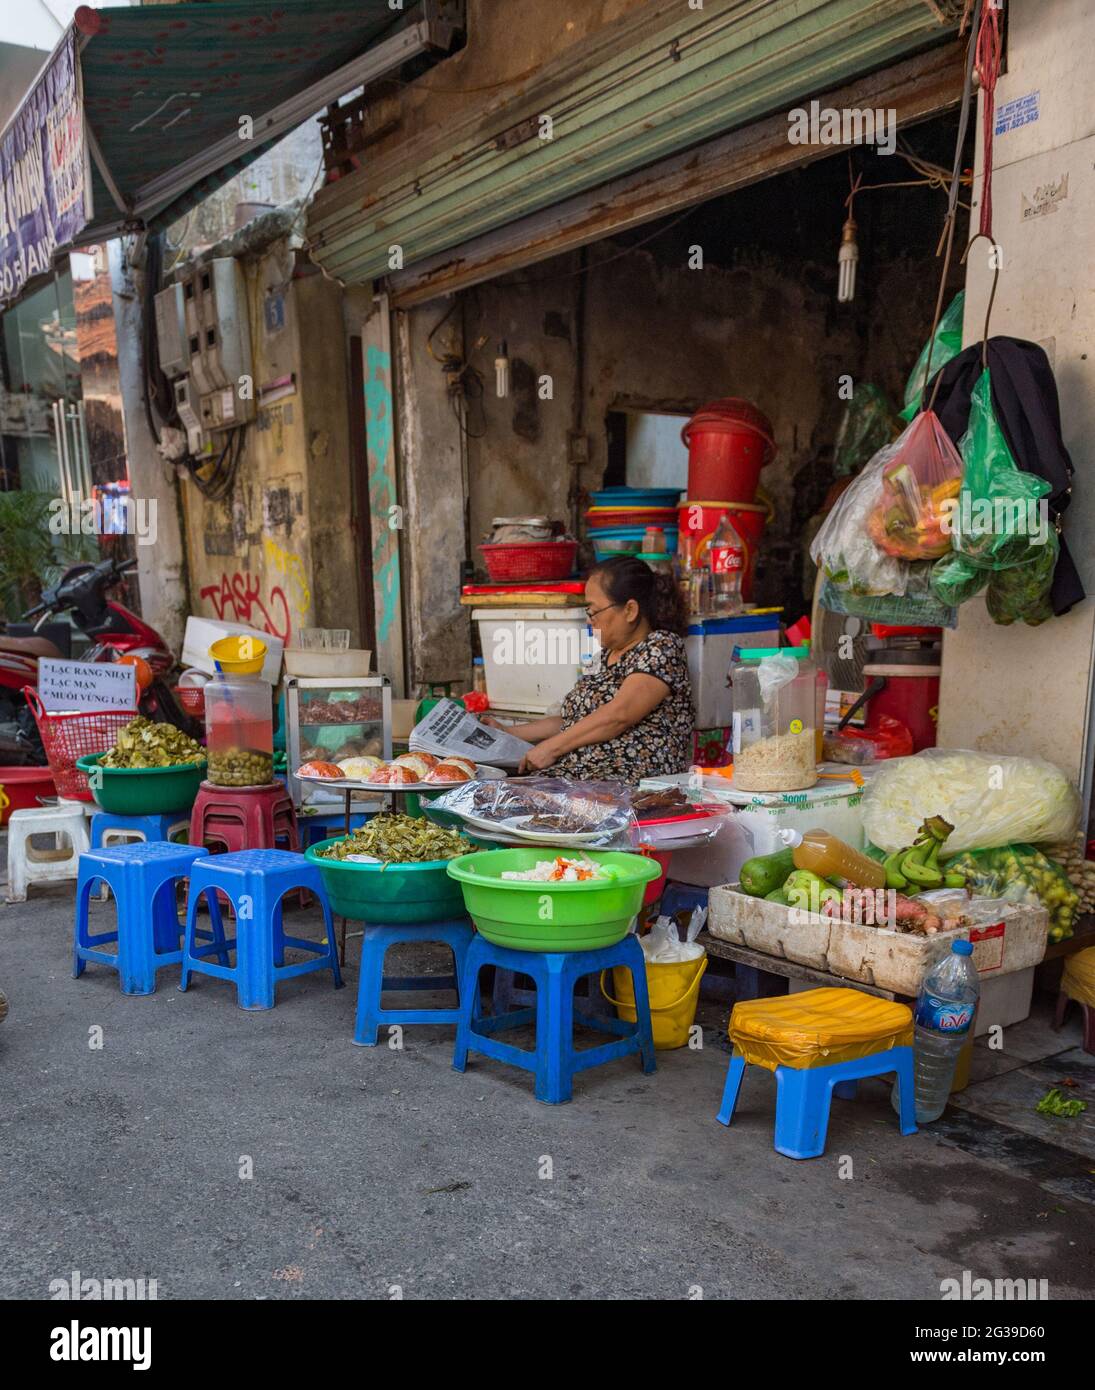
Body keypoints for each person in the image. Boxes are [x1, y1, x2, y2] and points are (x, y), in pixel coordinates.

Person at [484, 555, 695, 779]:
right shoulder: (600, 658)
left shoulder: (661, 646)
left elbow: (619, 715)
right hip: (576, 777)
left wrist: (552, 748)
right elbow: (573, 721)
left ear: (630, 610)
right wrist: (507, 733)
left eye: (593, 611)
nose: (589, 620)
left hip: (628, 781)